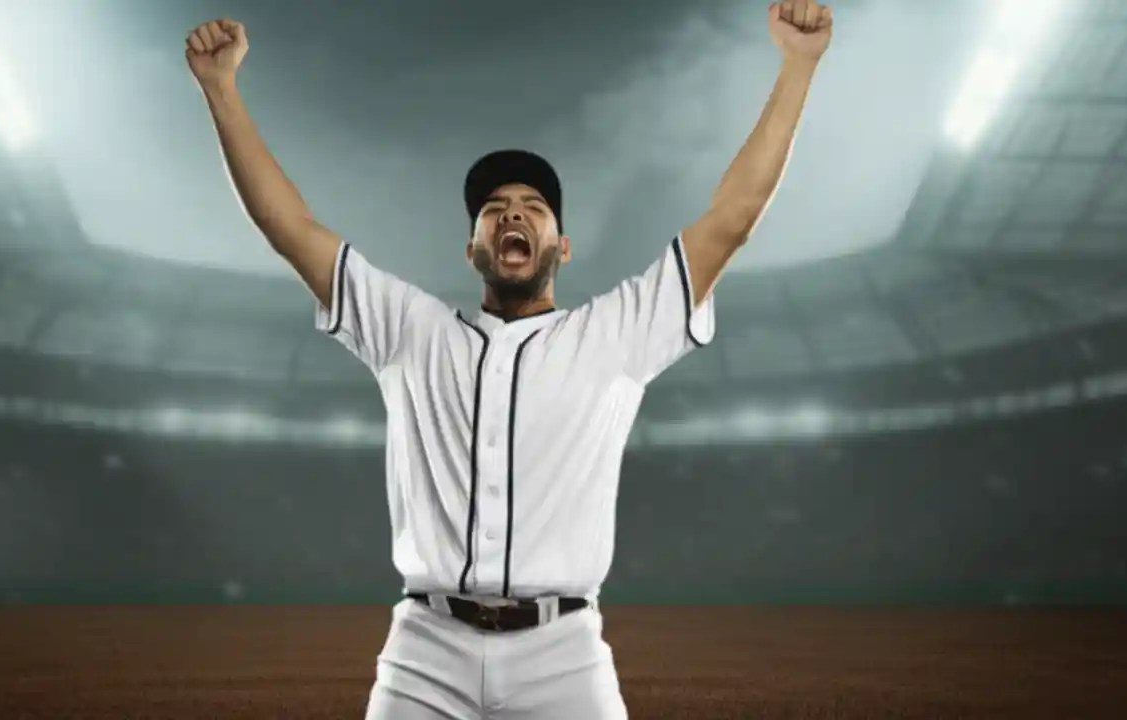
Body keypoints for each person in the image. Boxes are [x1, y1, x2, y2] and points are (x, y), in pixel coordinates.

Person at [185, 2, 832, 717]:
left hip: (564, 653)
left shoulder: (613, 334)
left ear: (562, 245)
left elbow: (731, 219)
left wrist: (798, 66)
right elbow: (290, 228)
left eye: (534, 206)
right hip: (424, 649)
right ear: (473, 249)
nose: (513, 213)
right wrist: (221, 89)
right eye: (493, 208)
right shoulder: (411, 331)